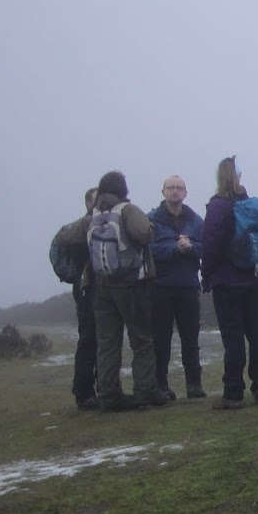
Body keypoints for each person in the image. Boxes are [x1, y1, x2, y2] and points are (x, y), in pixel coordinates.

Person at [88, 171, 167, 410]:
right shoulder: (127, 210)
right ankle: (145, 392)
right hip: (131, 285)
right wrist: (150, 225)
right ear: (123, 189)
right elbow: (144, 233)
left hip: (101, 286)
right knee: (142, 340)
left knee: (107, 343)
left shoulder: (94, 215)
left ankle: (109, 396)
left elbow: (67, 236)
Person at [201, 157, 258, 409]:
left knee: (233, 337)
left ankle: (233, 392)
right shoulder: (249, 205)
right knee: (256, 333)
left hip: (227, 281)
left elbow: (210, 244)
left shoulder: (218, 206)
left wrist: (206, 274)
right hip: (253, 278)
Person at [148, 175, 206, 399]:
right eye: (170, 188)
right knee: (160, 339)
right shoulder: (151, 219)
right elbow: (148, 249)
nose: (175, 192)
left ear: (185, 193)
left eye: (179, 188)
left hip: (188, 287)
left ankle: (194, 384)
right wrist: (176, 248)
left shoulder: (195, 220)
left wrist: (191, 247)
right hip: (160, 287)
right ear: (163, 192)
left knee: (190, 338)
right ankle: (160, 384)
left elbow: (206, 248)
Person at [52, 188, 101, 410]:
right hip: (85, 291)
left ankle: (106, 387)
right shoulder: (74, 230)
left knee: (108, 340)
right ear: (88, 203)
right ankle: (83, 391)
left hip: (110, 290)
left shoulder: (112, 225)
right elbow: (57, 254)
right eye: (97, 199)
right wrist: (76, 277)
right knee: (88, 339)